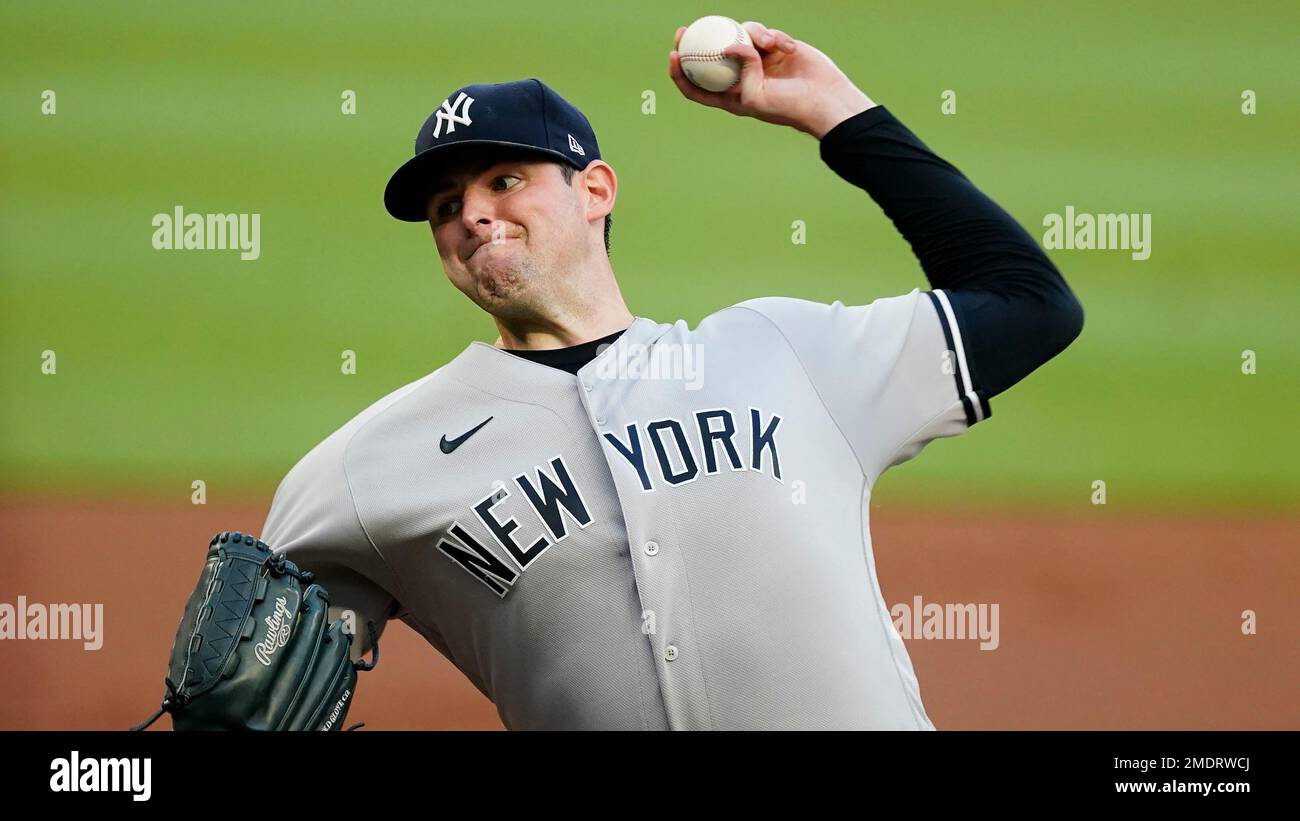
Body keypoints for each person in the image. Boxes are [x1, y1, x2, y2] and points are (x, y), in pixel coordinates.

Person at [260, 21, 1083, 730]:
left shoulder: (786, 353)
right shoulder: (370, 467)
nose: (472, 214)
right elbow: (244, 667)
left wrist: (834, 110)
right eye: (446, 207)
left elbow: (1031, 305)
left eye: (504, 181)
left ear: (595, 190)